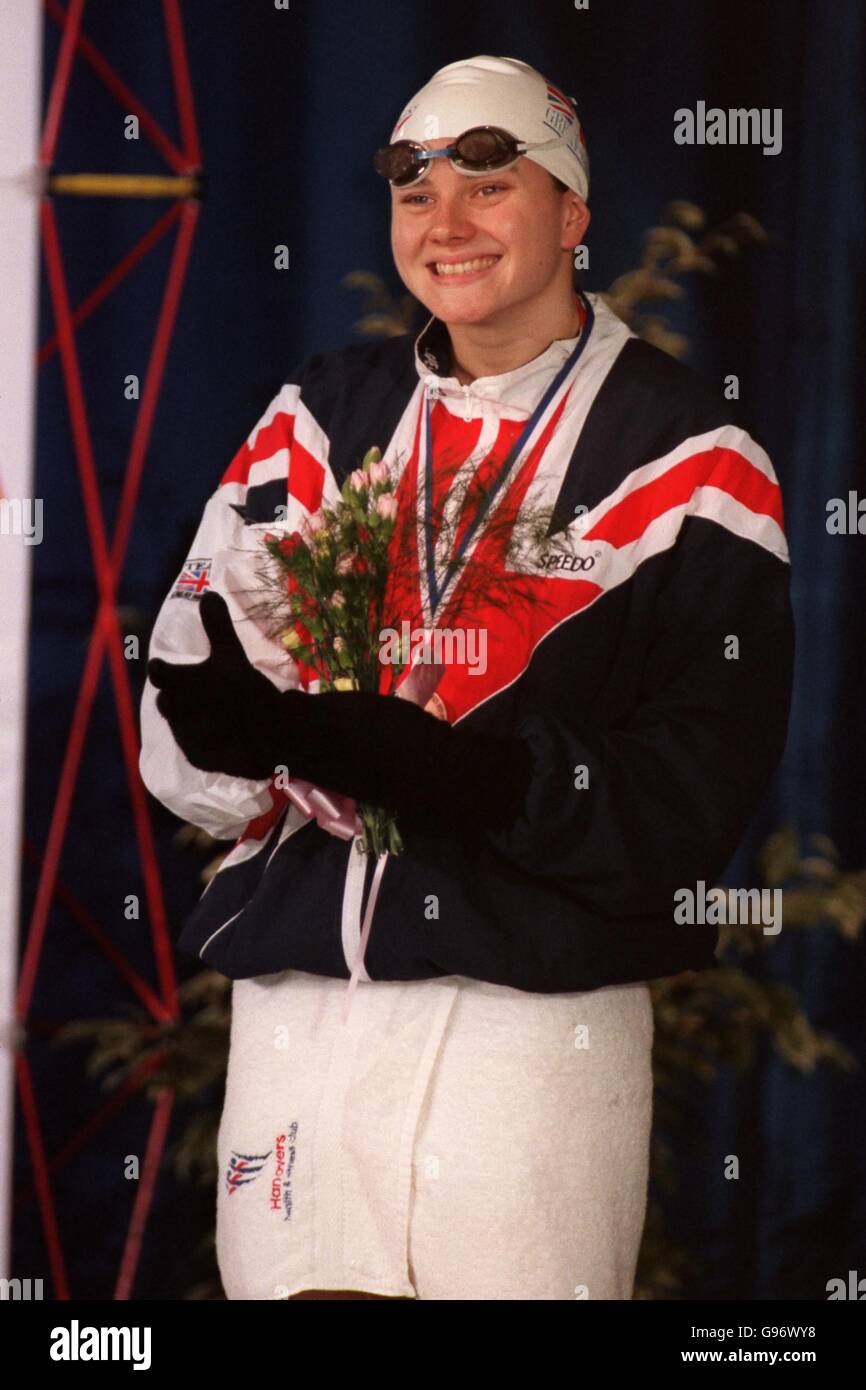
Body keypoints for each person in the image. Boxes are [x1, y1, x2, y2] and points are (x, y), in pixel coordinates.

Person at [139, 55, 794, 1300]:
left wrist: (469, 776)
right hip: (298, 1017)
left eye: (488, 185)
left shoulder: (693, 459)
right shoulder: (322, 414)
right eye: (411, 193)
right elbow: (195, 714)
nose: (444, 225)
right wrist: (238, 741)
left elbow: (686, 804)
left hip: (527, 1034)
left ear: (573, 214)